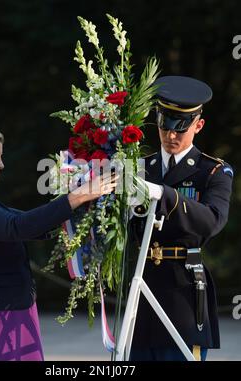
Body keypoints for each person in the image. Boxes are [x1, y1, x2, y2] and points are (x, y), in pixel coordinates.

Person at [0, 121, 117, 361]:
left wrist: (82, 210)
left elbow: (31, 226)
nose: (1, 164)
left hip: (10, 313)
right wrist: (79, 195)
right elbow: (17, 227)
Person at [129, 76, 233, 361]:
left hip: (183, 294)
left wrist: (164, 194)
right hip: (141, 289)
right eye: (165, 125)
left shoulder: (213, 172)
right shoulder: (139, 168)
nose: (170, 135)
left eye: (180, 128)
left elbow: (212, 220)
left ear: (198, 125)